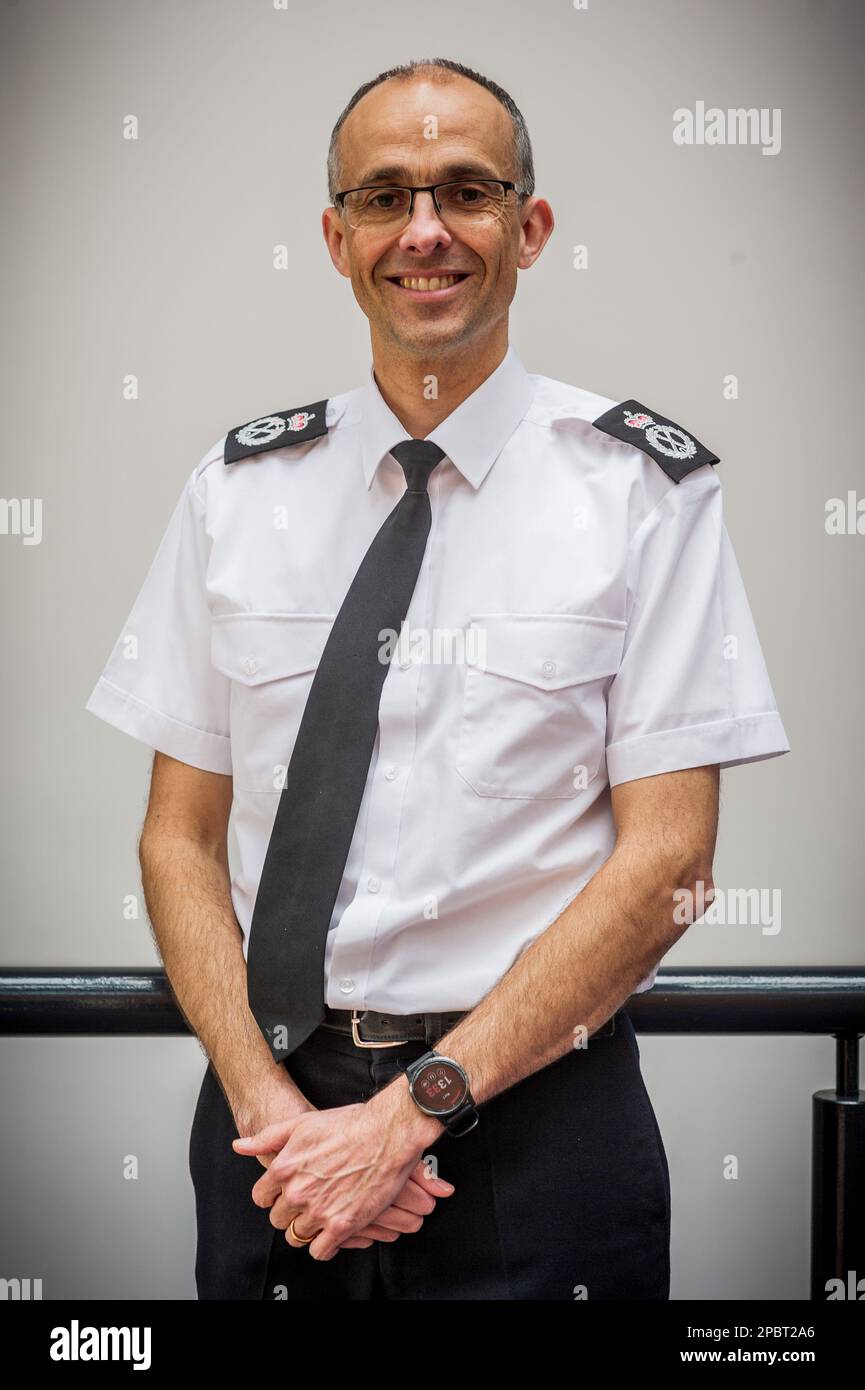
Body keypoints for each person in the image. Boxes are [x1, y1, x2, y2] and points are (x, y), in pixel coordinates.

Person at [85, 57, 790, 1301]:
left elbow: (671, 861)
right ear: (335, 236)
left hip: (536, 1127)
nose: (424, 231)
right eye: (383, 196)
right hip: (273, 1134)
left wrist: (411, 1113)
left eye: (466, 191)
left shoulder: (641, 492)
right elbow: (176, 841)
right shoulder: (237, 492)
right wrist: (276, 1111)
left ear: (530, 229)